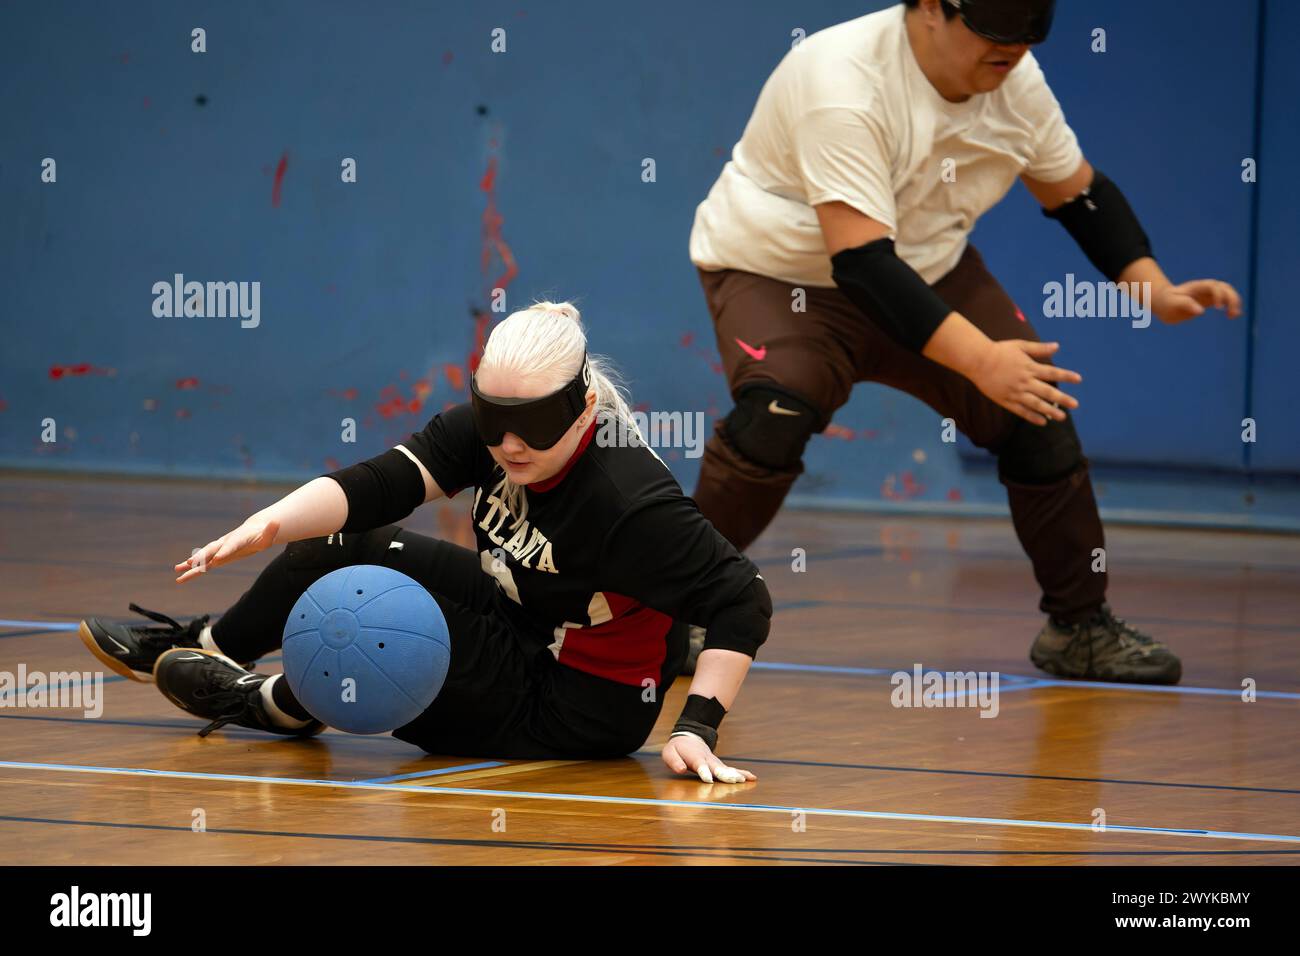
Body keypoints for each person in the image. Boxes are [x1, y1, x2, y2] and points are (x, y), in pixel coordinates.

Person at [685, 0, 1242, 683]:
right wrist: (983, 362)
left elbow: (1077, 193)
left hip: (926, 268)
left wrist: (1153, 285)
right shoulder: (841, 81)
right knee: (778, 411)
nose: (1016, 42)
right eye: (994, 21)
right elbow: (860, 264)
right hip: (781, 272)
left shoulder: (1016, 78)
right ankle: (670, 611)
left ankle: (1081, 629)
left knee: (1034, 410)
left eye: (1032, 23)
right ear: (927, 9)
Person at [79, 302, 771, 783]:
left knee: (380, 624)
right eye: (493, 419)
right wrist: (268, 523)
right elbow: (381, 484)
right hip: (520, 614)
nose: (508, 444)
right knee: (338, 542)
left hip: (577, 702)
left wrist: (697, 726)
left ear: (584, 407)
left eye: (531, 424)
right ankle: (210, 648)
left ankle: (274, 703)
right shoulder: (494, 437)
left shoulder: (625, 499)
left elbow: (742, 597)